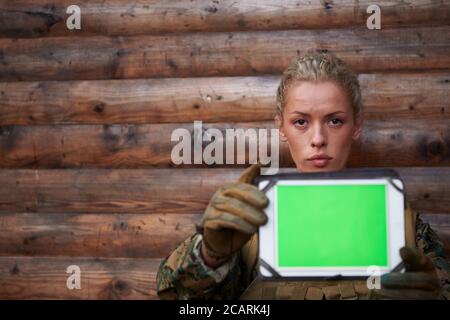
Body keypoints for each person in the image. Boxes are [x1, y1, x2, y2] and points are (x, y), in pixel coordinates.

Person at [156, 50, 450, 300]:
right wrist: (210, 254)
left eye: (335, 120)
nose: (318, 138)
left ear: (356, 126)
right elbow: (175, 295)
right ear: (281, 129)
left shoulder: (404, 226)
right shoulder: (247, 218)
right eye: (301, 122)